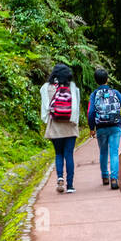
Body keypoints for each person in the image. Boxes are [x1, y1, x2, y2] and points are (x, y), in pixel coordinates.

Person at [86, 68, 121, 189]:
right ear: (107, 79)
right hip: (115, 126)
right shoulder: (115, 92)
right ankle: (114, 179)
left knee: (103, 152)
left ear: (96, 81)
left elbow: (90, 112)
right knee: (114, 153)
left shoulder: (94, 94)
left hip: (101, 128)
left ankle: (105, 177)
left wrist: (92, 128)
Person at [40, 63, 80, 193]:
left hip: (55, 126)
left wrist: (48, 122)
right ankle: (70, 186)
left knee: (58, 154)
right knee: (69, 155)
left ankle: (60, 178)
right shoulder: (73, 88)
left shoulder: (46, 88)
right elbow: (76, 109)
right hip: (70, 126)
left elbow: (45, 109)